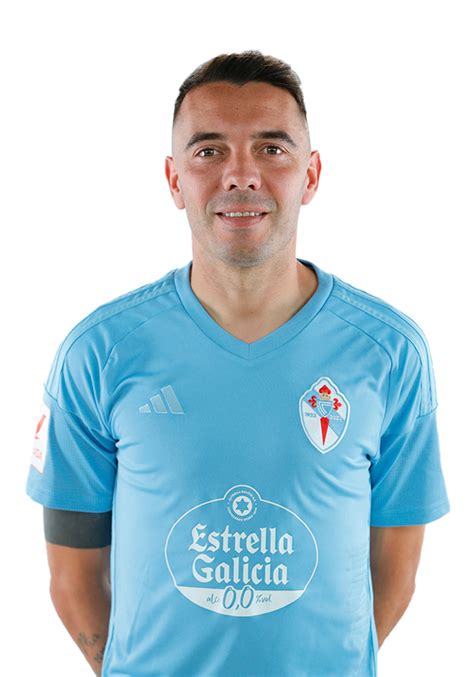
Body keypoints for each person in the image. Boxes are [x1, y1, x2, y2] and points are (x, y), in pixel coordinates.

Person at [26, 50, 450, 676]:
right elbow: (71, 577)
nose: (241, 175)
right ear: (174, 180)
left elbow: (397, 569)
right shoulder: (98, 353)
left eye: (272, 149)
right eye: (209, 151)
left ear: (311, 175)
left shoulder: (390, 353)